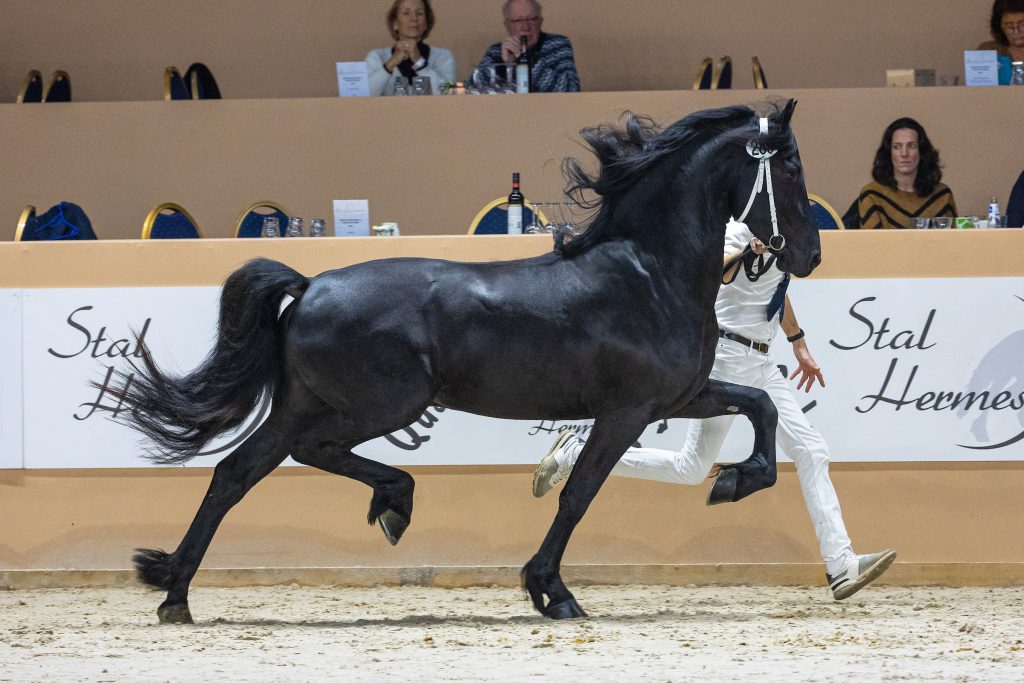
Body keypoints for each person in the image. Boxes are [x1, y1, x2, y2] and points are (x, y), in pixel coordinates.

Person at [533, 220, 896, 602]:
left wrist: (798, 342)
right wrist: (749, 250)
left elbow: (778, 286)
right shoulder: (738, 227)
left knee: (812, 450)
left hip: (762, 363)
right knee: (691, 468)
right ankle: (576, 452)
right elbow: (715, 272)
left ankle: (840, 565)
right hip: (725, 357)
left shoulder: (781, 231)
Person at [856, 118, 956, 229]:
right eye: (897, 147)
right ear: (889, 152)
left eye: (911, 146)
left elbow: (955, 242)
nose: (904, 153)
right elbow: (871, 244)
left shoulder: (942, 195)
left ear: (921, 151)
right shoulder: (872, 194)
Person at [473, 0, 580, 93]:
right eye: (518, 21)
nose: (525, 27)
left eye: (532, 19)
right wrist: (504, 65)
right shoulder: (496, 51)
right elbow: (473, 87)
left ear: (540, 22)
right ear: (507, 26)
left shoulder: (557, 45)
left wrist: (524, 60)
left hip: (548, 112)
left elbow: (571, 90)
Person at [366, 0, 455, 96]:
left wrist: (419, 63)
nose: (414, 18)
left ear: (426, 24)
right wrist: (390, 64)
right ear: (394, 23)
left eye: (420, 13)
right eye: (406, 13)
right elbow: (364, 94)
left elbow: (449, 92)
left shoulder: (443, 56)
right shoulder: (377, 57)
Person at [978, 0, 1024, 83]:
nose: (1016, 31)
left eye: (1022, 24)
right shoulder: (989, 51)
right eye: (1009, 26)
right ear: (1000, 27)